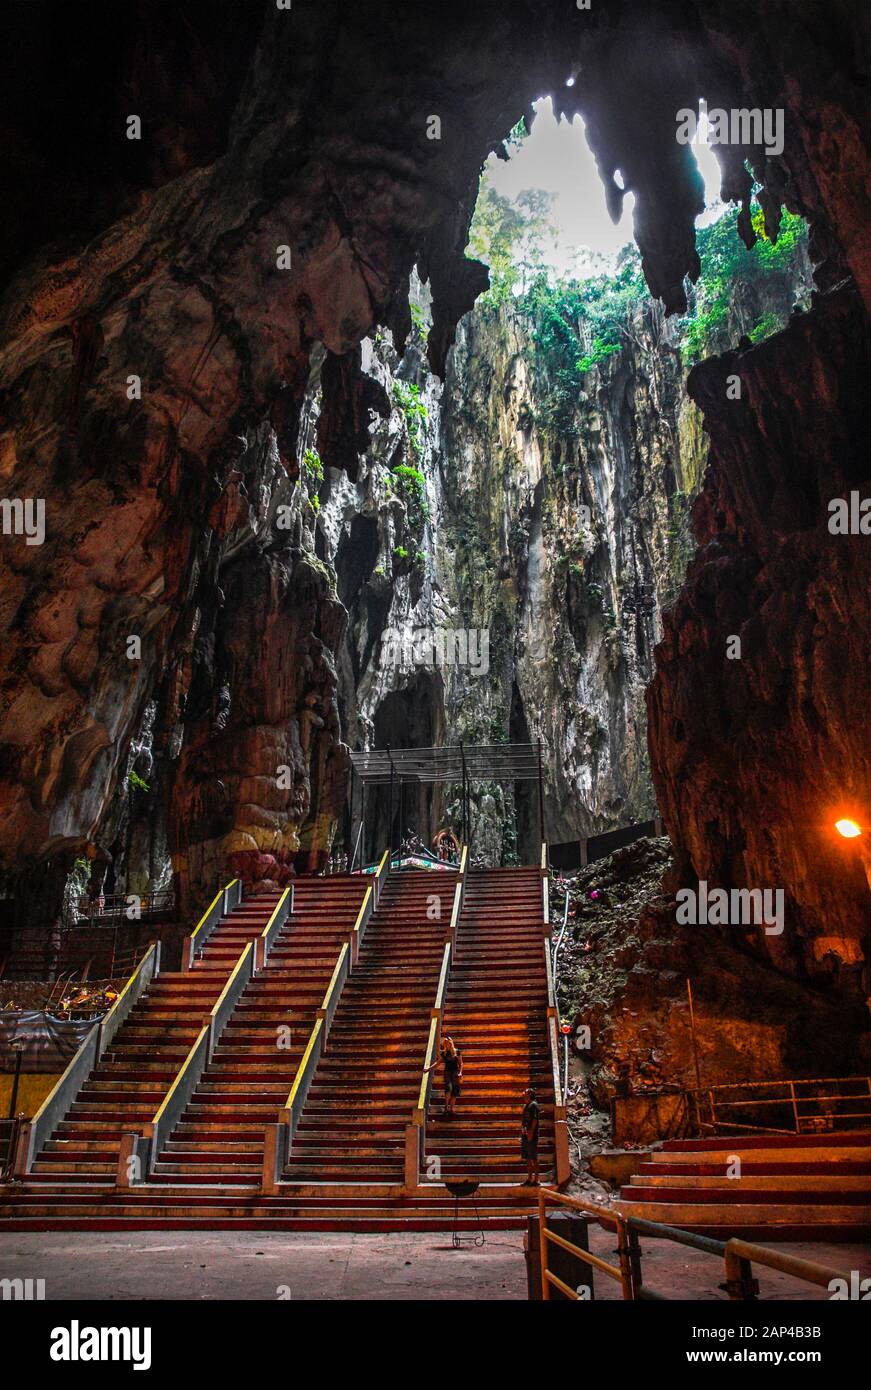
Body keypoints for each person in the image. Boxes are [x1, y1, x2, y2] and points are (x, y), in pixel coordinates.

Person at [425, 1034, 463, 1117]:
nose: (447, 1045)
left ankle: (452, 1109)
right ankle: (446, 1107)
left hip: (455, 1073)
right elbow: (437, 1063)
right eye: (445, 1044)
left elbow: (460, 1064)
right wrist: (428, 1069)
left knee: (454, 1092)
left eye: (448, 1043)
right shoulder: (444, 1054)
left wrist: (460, 1072)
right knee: (448, 1088)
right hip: (448, 1073)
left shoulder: (457, 1052)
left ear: (451, 1043)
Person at [520, 1086, 540, 1185]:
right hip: (525, 1134)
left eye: (525, 1091)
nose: (523, 1093)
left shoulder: (533, 1105)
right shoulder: (525, 1105)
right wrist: (523, 1129)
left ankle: (536, 1179)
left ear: (530, 1094)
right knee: (527, 1157)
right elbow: (524, 1120)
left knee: (533, 1157)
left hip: (531, 1135)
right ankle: (529, 1178)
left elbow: (535, 1119)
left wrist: (531, 1132)